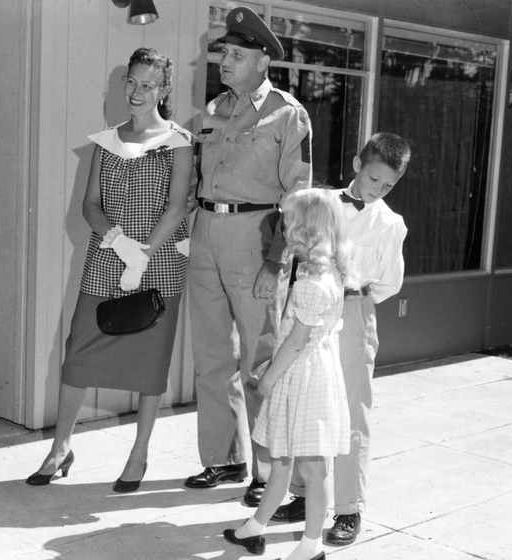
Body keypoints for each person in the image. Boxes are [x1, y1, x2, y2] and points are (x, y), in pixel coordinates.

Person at [25, 47, 193, 493]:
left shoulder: (178, 141)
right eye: (132, 82)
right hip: (107, 259)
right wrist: (119, 244)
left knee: (150, 364)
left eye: (148, 85)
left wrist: (143, 255)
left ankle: (138, 455)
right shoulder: (106, 140)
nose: (137, 92)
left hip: (159, 263)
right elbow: (90, 204)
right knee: (78, 354)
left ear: (164, 89)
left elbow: (176, 209)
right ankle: (61, 447)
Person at [184, 5, 313, 508]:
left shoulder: (287, 113)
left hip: (255, 238)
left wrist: (276, 260)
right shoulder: (213, 111)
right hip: (205, 234)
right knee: (211, 357)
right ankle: (222, 457)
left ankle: (266, 468)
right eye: (224, 54)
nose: (226, 62)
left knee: (260, 361)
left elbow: (298, 197)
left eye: (237, 55)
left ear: (263, 62)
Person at [271, 132, 411, 547]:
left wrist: (353, 301)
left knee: (350, 410)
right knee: (304, 401)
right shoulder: (321, 203)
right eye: (373, 179)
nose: (378, 190)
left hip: (353, 310)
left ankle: (349, 507)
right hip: (309, 305)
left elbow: (388, 283)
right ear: (356, 164)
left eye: (389, 185)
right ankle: (302, 494)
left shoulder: (390, 224)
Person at [222, 188, 356, 560]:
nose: (284, 227)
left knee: (313, 468)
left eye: (290, 221)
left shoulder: (315, 283)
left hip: (304, 376)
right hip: (303, 371)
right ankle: (255, 528)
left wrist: (267, 379)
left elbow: (297, 341)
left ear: (307, 230)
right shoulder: (322, 269)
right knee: (281, 457)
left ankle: (312, 546)